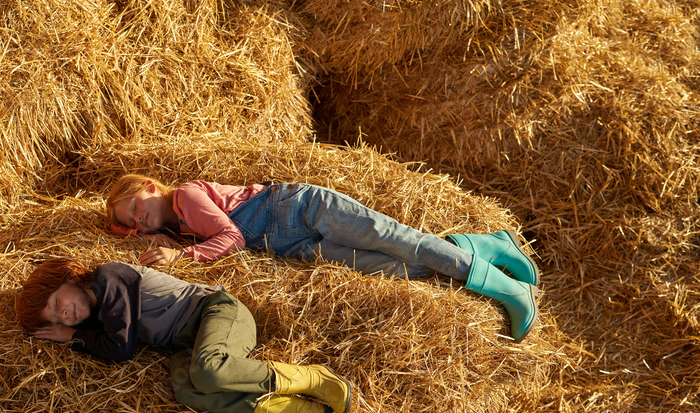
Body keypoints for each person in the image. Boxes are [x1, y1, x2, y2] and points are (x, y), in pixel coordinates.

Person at [105, 174, 540, 341]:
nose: (140, 222)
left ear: (148, 186)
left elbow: (232, 236)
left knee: (398, 240)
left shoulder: (184, 197)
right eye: (134, 224)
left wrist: (183, 258)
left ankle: (509, 292)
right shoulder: (176, 228)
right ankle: (487, 246)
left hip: (300, 208)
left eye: (135, 209)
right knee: (398, 268)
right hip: (293, 246)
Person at [15, 258, 355, 413]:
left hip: (217, 312)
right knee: (190, 390)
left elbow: (120, 349)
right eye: (58, 316)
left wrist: (71, 337)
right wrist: (78, 334)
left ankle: (313, 379)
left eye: (58, 301)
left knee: (208, 369)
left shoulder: (109, 277)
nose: (65, 313)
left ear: (71, 278)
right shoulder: (95, 321)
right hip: (186, 341)